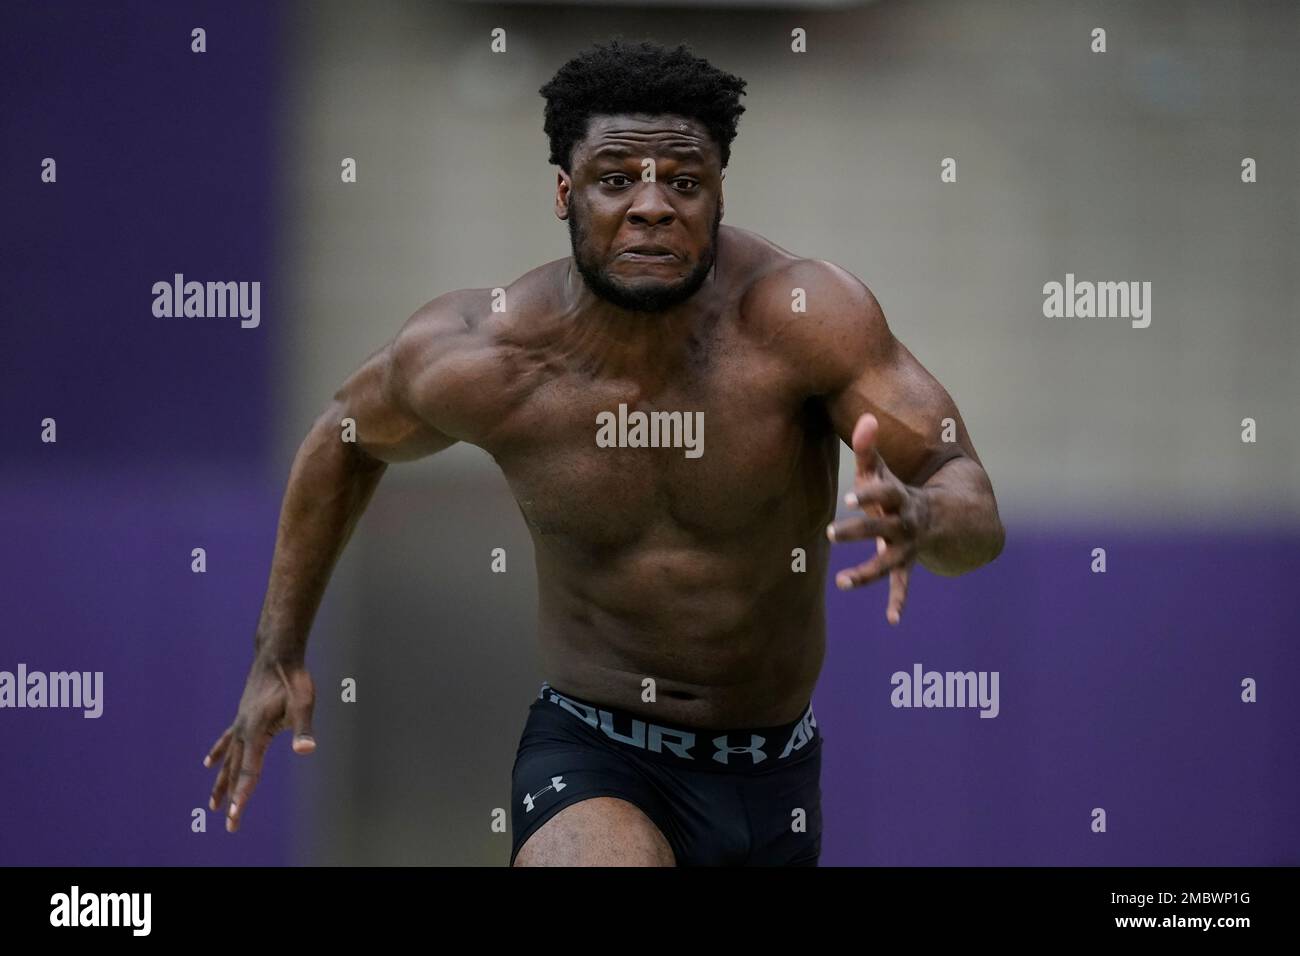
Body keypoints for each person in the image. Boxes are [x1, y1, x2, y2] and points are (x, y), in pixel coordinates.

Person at [203, 38, 1004, 866]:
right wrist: (278, 652)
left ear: (718, 195)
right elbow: (341, 437)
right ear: (565, 193)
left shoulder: (804, 321)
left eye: (684, 183)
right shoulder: (486, 357)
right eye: (617, 179)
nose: (652, 206)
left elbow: (969, 499)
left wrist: (925, 515)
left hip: (775, 775)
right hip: (594, 753)